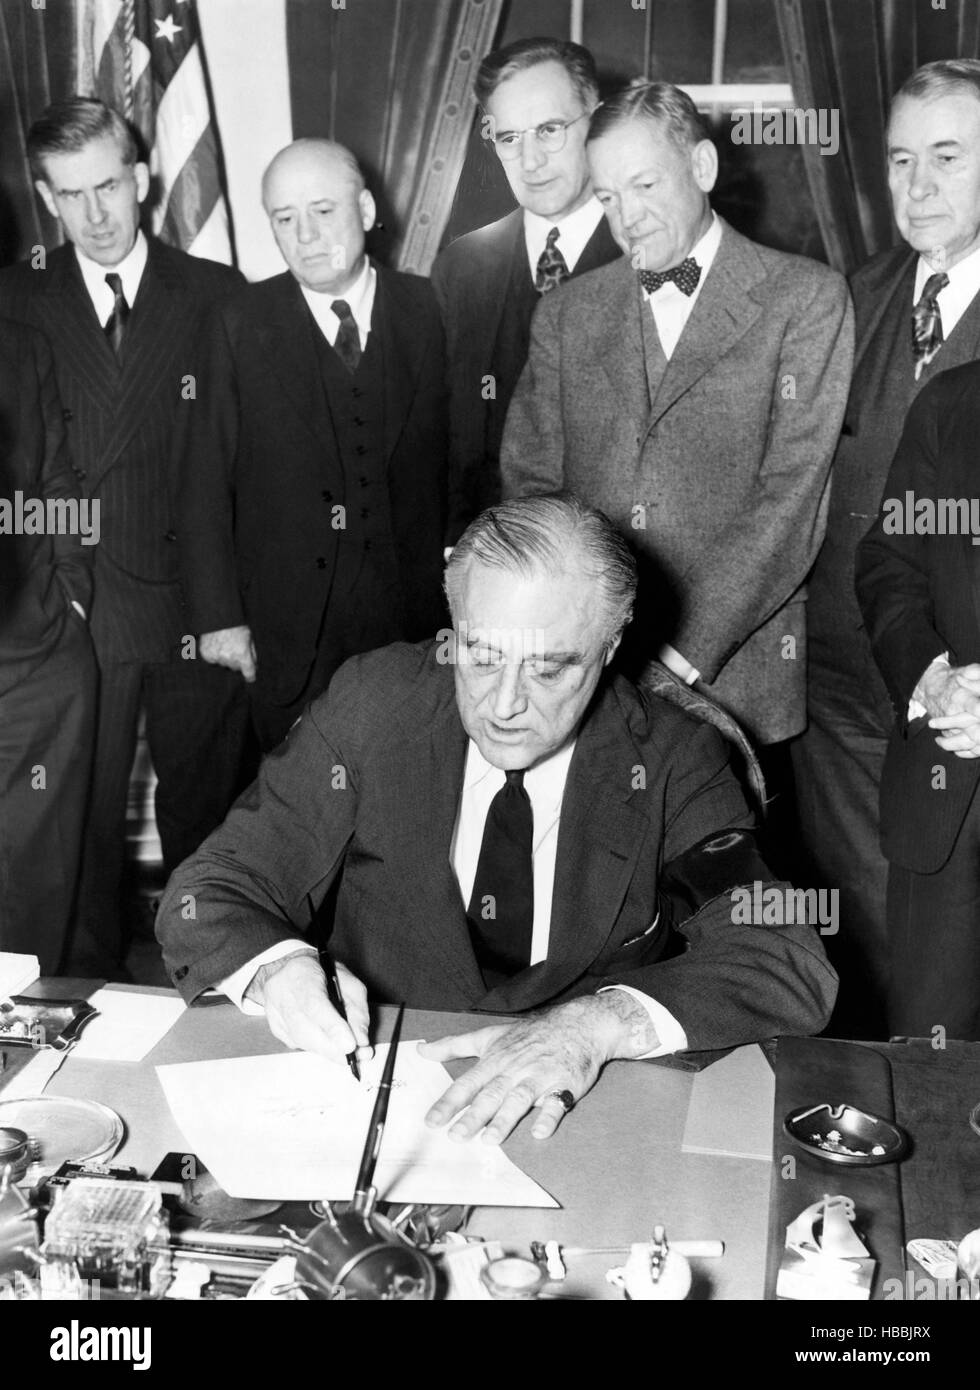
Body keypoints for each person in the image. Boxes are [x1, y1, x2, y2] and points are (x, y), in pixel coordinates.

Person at [157, 496, 837, 1143]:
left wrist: (597, 1025)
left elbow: (784, 956)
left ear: (609, 648)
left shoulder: (673, 759)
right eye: (481, 656)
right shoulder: (375, 706)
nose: (504, 704)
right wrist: (280, 968)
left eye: (548, 670)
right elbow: (208, 889)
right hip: (379, 1094)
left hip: (582, 1107)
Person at [500, 80, 853, 753]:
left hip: (734, 685)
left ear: (703, 168)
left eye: (644, 186)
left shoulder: (805, 298)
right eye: (606, 198)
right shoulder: (566, 314)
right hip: (590, 677)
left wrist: (679, 655)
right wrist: (572, 639)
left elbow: (792, 499)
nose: (625, 217)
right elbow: (532, 486)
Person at [0, 97, 250, 977]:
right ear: (46, 199)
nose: (95, 215)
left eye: (108, 186)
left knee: (207, 824)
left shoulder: (218, 295)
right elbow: (27, 482)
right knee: (78, 840)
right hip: (75, 625)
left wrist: (233, 610)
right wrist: (65, 586)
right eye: (70, 196)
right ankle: (84, 1009)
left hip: (196, 610)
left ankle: (215, 992)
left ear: (142, 178)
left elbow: (239, 470)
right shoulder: (16, 304)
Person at [795, 59, 980, 1038]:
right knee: (867, 969)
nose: (914, 187)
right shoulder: (839, 301)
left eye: (945, 158)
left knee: (947, 983)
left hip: (963, 708)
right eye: (899, 160)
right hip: (841, 703)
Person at [178, 139, 448, 753]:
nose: (305, 234)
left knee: (413, 803)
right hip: (290, 632)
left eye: (323, 210)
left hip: (417, 627)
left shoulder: (431, 309)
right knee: (300, 817)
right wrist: (220, 619)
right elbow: (201, 481)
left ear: (368, 209)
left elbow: (466, 463)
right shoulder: (237, 322)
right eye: (284, 218)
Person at [431, 37, 621, 540]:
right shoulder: (462, 268)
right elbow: (446, 445)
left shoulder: (648, 255)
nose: (530, 159)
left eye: (550, 130)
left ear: (597, 122)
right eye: (509, 137)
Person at [856, 360, 980, 1041]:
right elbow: (889, 562)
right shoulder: (953, 401)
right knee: (927, 1066)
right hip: (950, 801)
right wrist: (931, 678)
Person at [0, 318, 96, 973]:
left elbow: (56, 482)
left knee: (34, 906)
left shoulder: (22, 341)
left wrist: (73, 590)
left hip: (41, 667)